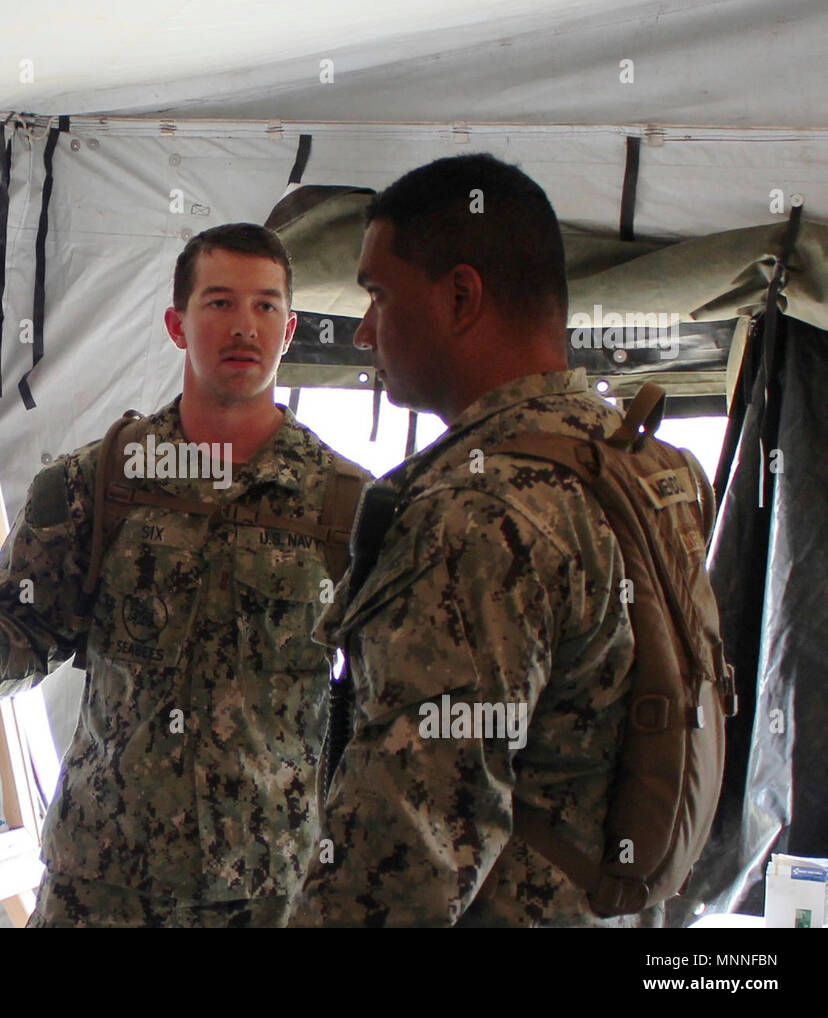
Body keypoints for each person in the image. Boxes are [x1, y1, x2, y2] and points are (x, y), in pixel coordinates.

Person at [0, 223, 370, 927]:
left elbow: (389, 705)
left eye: (265, 306)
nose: (244, 326)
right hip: (101, 887)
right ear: (177, 325)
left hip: (268, 894)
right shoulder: (95, 483)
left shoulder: (347, 506)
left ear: (289, 331)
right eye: (219, 302)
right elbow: (20, 642)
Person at [287, 153, 660, 927]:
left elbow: (401, 857)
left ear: (461, 296)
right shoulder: (638, 463)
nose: (364, 331)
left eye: (378, 295)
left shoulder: (476, 514)